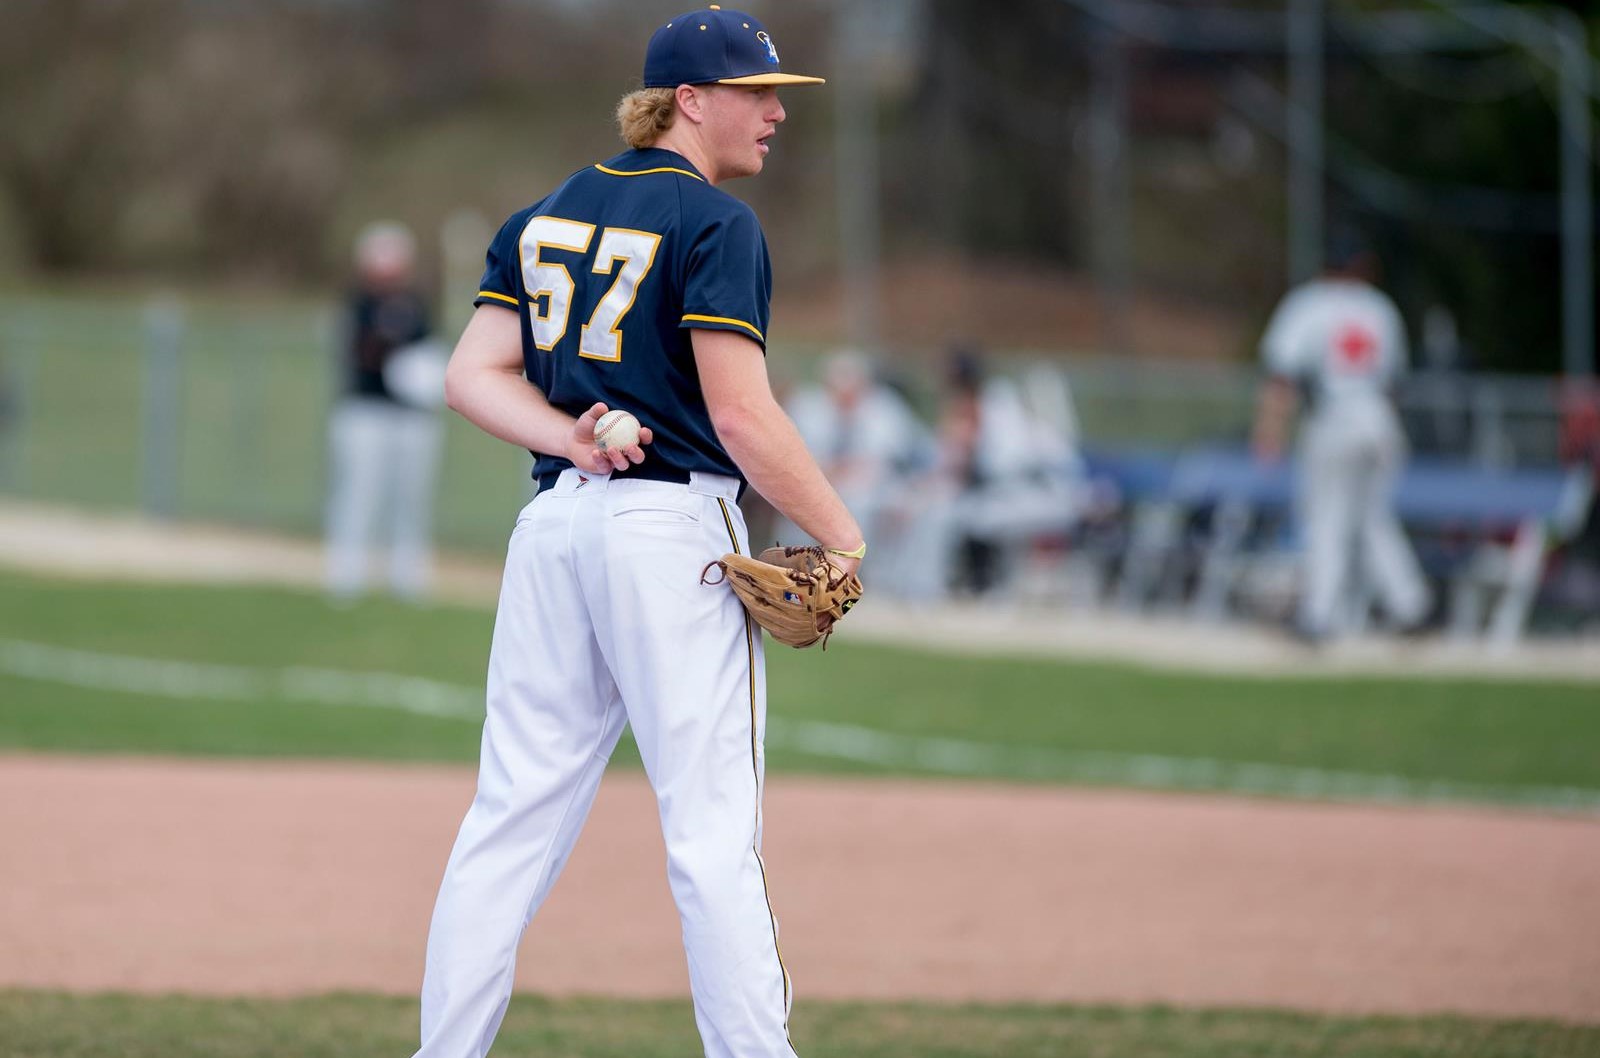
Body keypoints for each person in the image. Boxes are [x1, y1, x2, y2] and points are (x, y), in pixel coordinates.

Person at [413, 9, 863, 1058]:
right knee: (712, 834)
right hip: (670, 532)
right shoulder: (716, 224)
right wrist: (843, 536)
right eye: (757, 93)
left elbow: (471, 375)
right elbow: (741, 414)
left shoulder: (543, 214)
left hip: (555, 528)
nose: (776, 112)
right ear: (689, 101)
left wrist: (567, 437)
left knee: (507, 820)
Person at [1252, 237, 1430, 641]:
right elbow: (1394, 381)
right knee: (1374, 516)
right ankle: (1411, 605)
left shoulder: (1311, 303)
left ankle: (1319, 616)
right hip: (1380, 419)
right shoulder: (1380, 308)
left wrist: (1269, 431)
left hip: (1334, 418)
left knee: (1326, 519)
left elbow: (1282, 373)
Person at [324, 221, 445, 601]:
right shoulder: (357, 306)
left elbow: (427, 352)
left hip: (411, 416)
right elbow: (360, 354)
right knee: (359, 493)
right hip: (366, 411)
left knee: (411, 497)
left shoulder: (416, 305)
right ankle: (347, 573)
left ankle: (407, 576)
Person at [778, 349, 931, 553]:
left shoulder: (883, 410)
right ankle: (794, 560)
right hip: (823, 481)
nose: (844, 396)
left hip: (877, 487)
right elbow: (801, 454)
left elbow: (884, 461)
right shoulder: (811, 408)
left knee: (862, 505)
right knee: (801, 504)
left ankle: (859, 564)